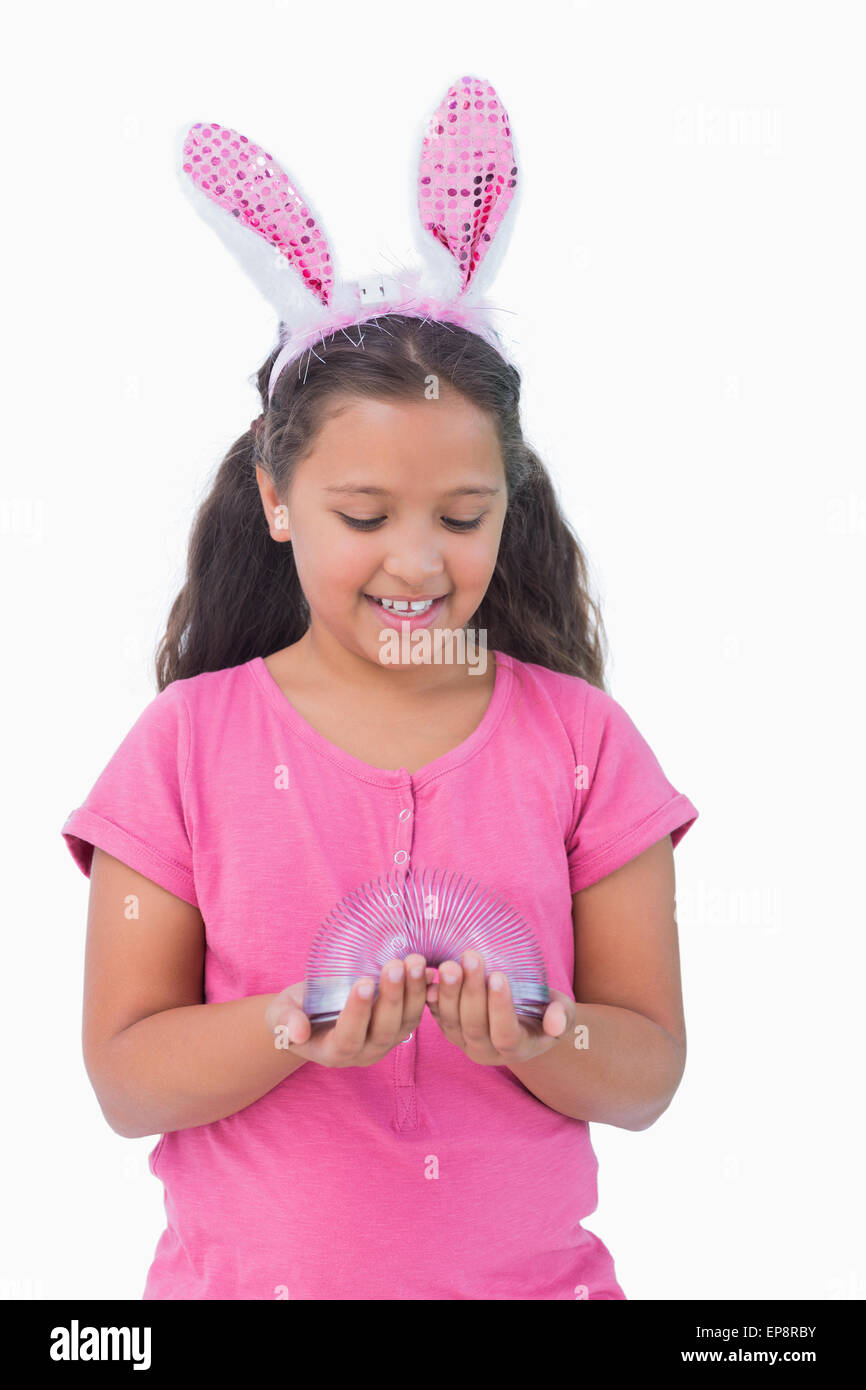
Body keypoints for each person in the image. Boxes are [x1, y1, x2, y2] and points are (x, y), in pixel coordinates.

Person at [61, 88, 699, 1300]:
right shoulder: (183, 748)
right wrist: (292, 1024)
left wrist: (540, 1032)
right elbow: (126, 1077)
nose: (418, 561)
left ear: (509, 504)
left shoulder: (584, 744)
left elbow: (645, 1070)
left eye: (462, 517)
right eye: (364, 516)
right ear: (276, 497)